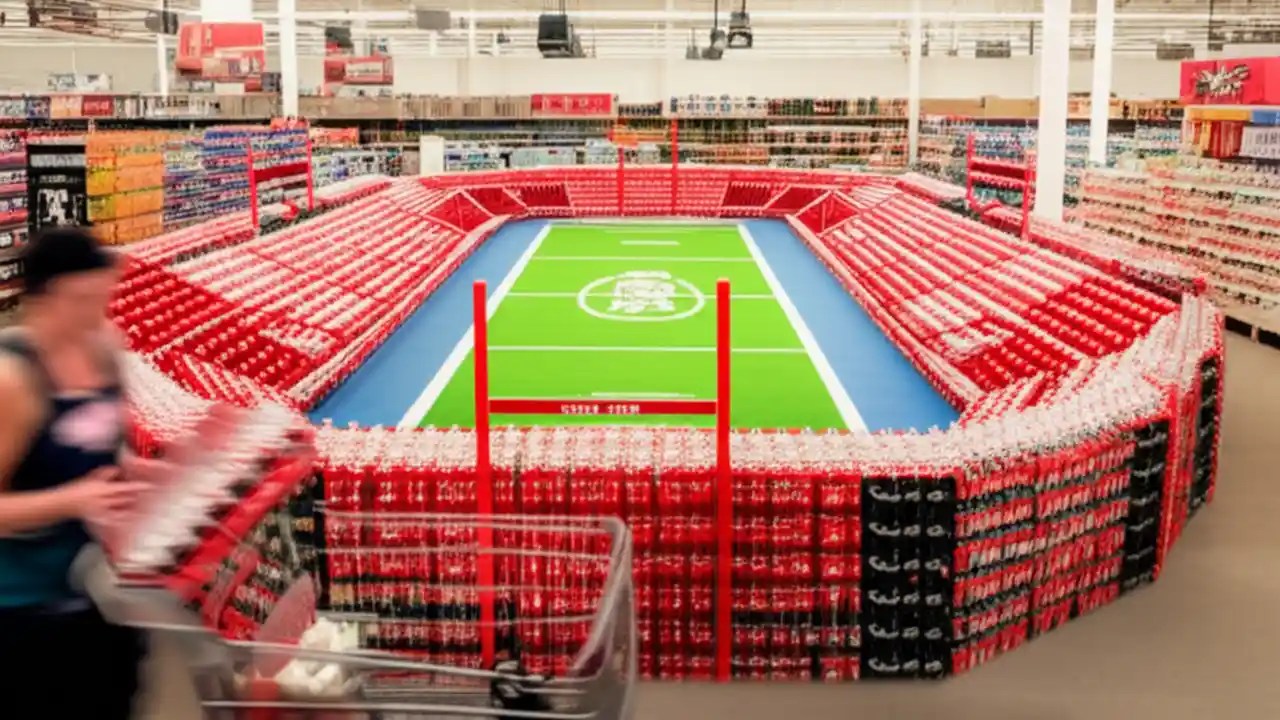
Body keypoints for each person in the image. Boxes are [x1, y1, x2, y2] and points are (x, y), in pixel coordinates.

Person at [0, 227, 148, 718]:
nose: (96, 311)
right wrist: (71, 501)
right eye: (82, 300)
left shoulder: (104, 348)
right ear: (44, 297)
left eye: (103, 296)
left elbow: (108, 454)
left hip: (100, 596)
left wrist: (148, 474)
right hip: (24, 610)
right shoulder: (13, 380)